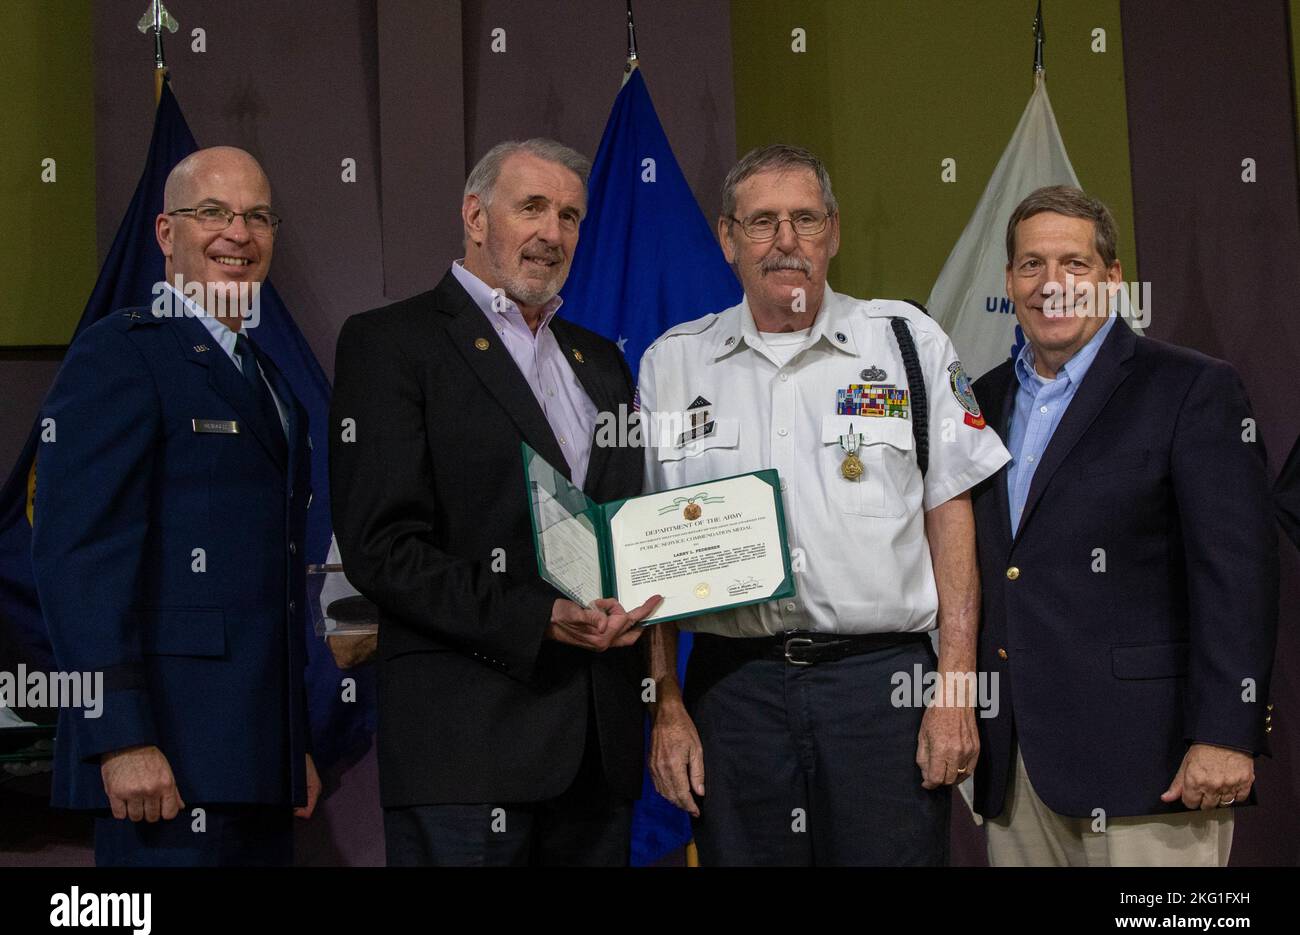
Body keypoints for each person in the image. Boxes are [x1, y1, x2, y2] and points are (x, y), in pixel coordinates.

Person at [639, 144, 1011, 865]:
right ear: (726, 238)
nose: (786, 241)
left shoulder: (905, 341)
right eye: (763, 222)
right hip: (731, 691)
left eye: (806, 219)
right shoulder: (672, 364)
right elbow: (647, 550)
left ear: (834, 233)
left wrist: (956, 688)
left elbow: (951, 515)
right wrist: (666, 705)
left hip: (881, 688)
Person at [330, 139, 659, 866]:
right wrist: (537, 617)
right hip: (467, 757)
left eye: (570, 215)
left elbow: (621, 525)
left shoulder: (600, 361)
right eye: (533, 208)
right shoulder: (390, 344)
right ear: (475, 217)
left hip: (598, 752)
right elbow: (381, 549)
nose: (553, 233)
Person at [970, 185, 1278, 866]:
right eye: (1031, 266)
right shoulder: (981, 400)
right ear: (1008, 282)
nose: (1053, 285)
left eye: (1074, 265)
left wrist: (1228, 733)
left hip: (1154, 764)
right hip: (1017, 769)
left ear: (1112, 278)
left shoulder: (1191, 389)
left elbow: (1238, 576)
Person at [33, 146, 319, 866]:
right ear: (166, 233)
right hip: (161, 761)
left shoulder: (271, 381)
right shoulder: (122, 355)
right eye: (213, 213)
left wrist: (290, 745)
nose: (239, 234)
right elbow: (78, 561)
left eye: (258, 217)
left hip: (255, 763)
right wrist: (119, 736)